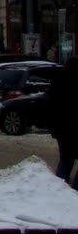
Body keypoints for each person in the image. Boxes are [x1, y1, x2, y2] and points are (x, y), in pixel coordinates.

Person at [49, 58, 78, 187]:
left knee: (66, 160)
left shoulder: (58, 80)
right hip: (74, 128)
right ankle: (75, 189)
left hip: (62, 130)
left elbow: (51, 105)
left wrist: (55, 129)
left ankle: (60, 189)